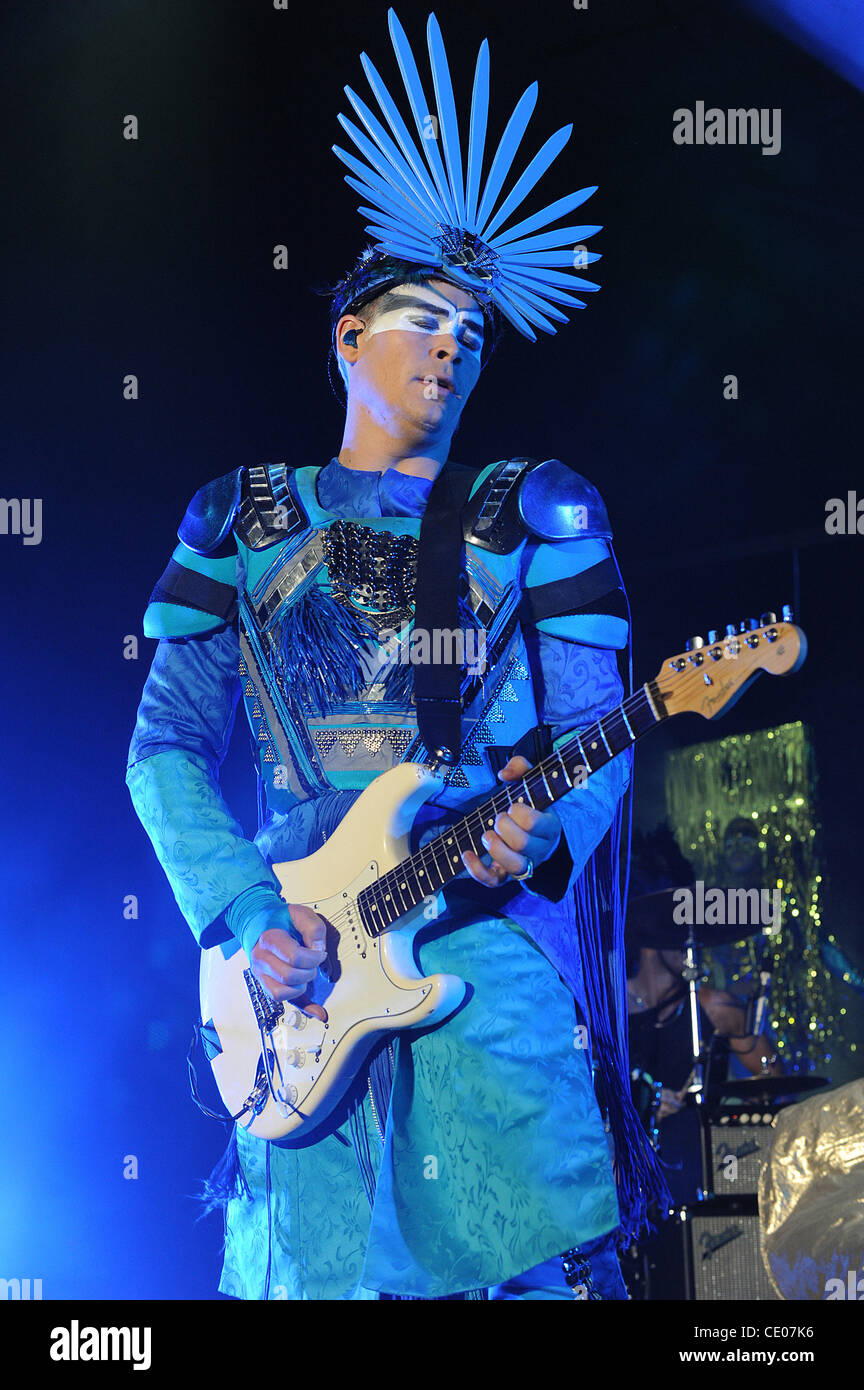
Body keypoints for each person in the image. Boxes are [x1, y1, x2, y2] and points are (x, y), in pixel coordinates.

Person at [126, 8, 666, 1300]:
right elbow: (164, 750)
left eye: (472, 327)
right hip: (300, 975)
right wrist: (250, 914)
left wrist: (544, 824)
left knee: (535, 1271)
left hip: (478, 953)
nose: (451, 341)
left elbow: (591, 735)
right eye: (422, 314)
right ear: (347, 337)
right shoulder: (240, 519)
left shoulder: (540, 512)